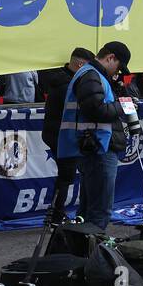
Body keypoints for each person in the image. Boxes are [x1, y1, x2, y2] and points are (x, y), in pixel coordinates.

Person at [57, 41, 134, 231]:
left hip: (94, 147)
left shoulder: (91, 75)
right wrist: (123, 106)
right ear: (110, 58)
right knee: (99, 210)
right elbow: (96, 110)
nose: (117, 73)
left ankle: (83, 252)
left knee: (89, 209)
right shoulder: (92, 75)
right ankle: (93, 254)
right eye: (118, 67)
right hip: (98, 148)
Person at [42, 47, 92, 226]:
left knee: (66, 176)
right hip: (62, 136)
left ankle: (56, 213)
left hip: (55, 133)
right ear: (79, 64)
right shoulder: (68, 85)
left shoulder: (62, 80)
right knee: (66, 176)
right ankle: (56, 215)